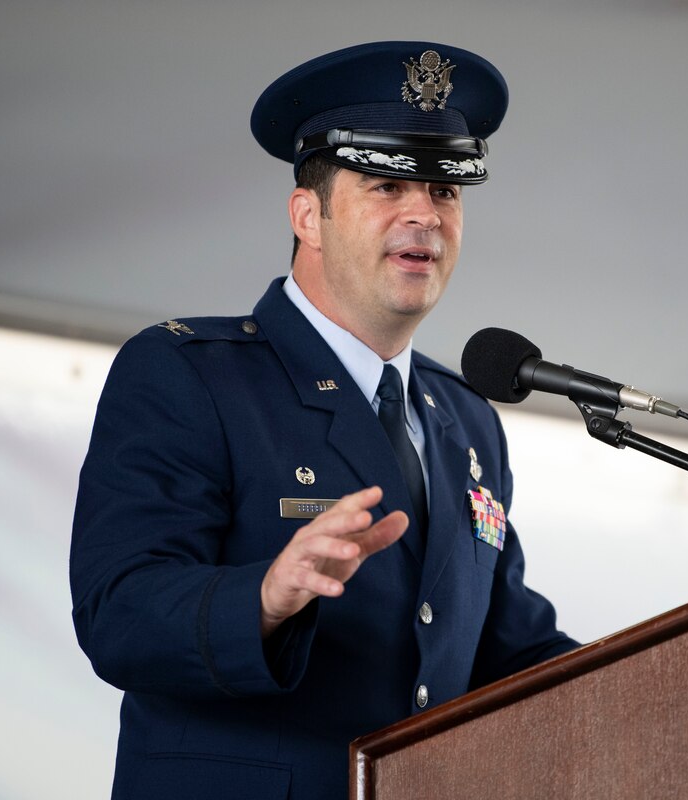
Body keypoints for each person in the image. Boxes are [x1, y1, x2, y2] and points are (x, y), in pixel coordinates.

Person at [70, 41, 578, 800]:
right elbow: (121, 615)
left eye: (446, 191)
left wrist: (682, 677)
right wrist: (266, 597)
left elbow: (509, 651)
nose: (424, 215)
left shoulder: (467, 420)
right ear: (309, 215)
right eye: (385, 184)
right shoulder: (188, 375)